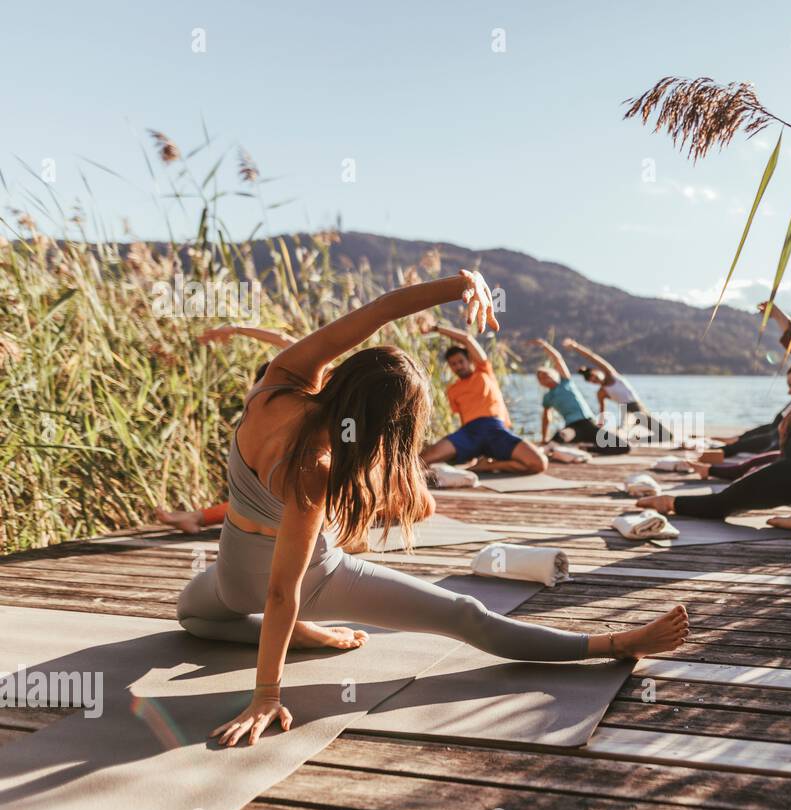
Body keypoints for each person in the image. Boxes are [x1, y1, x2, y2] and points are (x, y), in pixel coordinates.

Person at [177, 269, 690, 749]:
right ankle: (612, 644)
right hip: (307, 585)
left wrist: (460, 284)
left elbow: (378, 310)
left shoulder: (279, 379)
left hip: (228, 580)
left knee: (192, 616)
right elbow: (281, 591)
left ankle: (299, 633)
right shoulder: (316, 464)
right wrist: (267, 693)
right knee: (463, 615)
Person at [636, 302, 791, 541]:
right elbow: (773, 445)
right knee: (723, 503)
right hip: (790, 478)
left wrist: (778, 315)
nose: (789, 392)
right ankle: (669, 502)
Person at [156, 325, 297, 533]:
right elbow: (286, 341)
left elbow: (286, 340)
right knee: (263, 497)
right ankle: (195, 517)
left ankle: (196, 517)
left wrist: (236, 329)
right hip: (278, 506)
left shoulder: (319, 391)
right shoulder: (266, 421)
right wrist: (235, 330)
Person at [419, 323, 547, 475]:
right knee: (422, 459)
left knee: (539, 463)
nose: (458, 366)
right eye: (453, 364)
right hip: (469, 434)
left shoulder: (483, 372)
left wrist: (436, 328)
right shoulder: (452, 390)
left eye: (461, 361)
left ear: (470, 361)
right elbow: (463, 418)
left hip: (495, 430)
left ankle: (486, 466)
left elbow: (467, 338)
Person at [563, 337, 676, 443]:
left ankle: (634, 437)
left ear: (598, 372)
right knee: (665, 435)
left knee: (666, 435)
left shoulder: (612, 375)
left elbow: (593, 358)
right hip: (628, 412)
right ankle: (632, 437)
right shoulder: (601, 392)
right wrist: (599, 426)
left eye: (596, 377)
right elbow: (602, 412)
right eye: (594, 381)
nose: (596, 380)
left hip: (638, 407)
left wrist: (576, 347)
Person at [529, 339, 629, 455]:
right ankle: (548, 449)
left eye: (546, 375)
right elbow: (546, 418)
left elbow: (558, 359)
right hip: (573, 428)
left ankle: (586, 448)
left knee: (623, 447)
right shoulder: (548, 397)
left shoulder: (566, 382)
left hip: (589, 424)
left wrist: (544, 345)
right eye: (540, 378)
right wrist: (544, 438)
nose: (544, 379)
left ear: (554, 374)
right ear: (540, 383)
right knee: (560, 437)